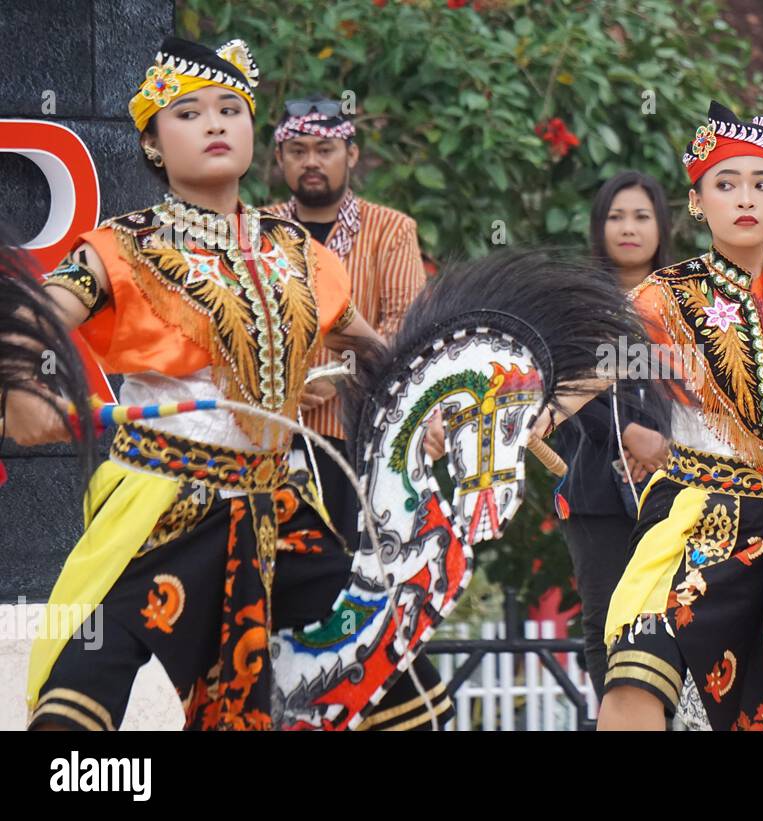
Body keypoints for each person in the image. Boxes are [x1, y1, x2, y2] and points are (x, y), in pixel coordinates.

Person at [6, 37, 449, 731]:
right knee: (76, 700)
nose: (214, 123)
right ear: (153, 145)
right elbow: (30, 318)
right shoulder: (122, 248)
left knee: (407, 689)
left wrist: (423, 402)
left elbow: (370, 346)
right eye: (187, 113)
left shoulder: (299, 251)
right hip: (165, 508)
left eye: (229, 109)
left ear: (250, 131)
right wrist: (24, 387)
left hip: (279, 512)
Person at [591, 101, 763, 731]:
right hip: (691, 521)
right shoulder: (662, 295)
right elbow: (588, 372)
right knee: (634, 677)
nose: (746, 198)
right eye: (726, 183)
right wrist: (523, 410)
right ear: (697, 202)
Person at [263, 96, 427, 550]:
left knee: (349, 573)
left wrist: (337, 376)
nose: (311, 161)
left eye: (325, 149)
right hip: (269, 435)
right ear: (279, 159)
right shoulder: (258, 230)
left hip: (358, 438)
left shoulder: (391, 230)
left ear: (351, 155)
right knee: (269, 573)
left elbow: (404, 326)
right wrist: (285, 381)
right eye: (298, 151)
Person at [550, 171, 672, 704]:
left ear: (661, 227)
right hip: (594, 487)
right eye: (615, 217)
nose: (628, 228)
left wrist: (662, 443)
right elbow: (564, 389)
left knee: (676, 616)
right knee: (606, 625)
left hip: (677, 485)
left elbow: (700, 387)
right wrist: (627, 434)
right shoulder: (577, 302)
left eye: (641, 216)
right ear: (599, 227)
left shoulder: (684, 299)